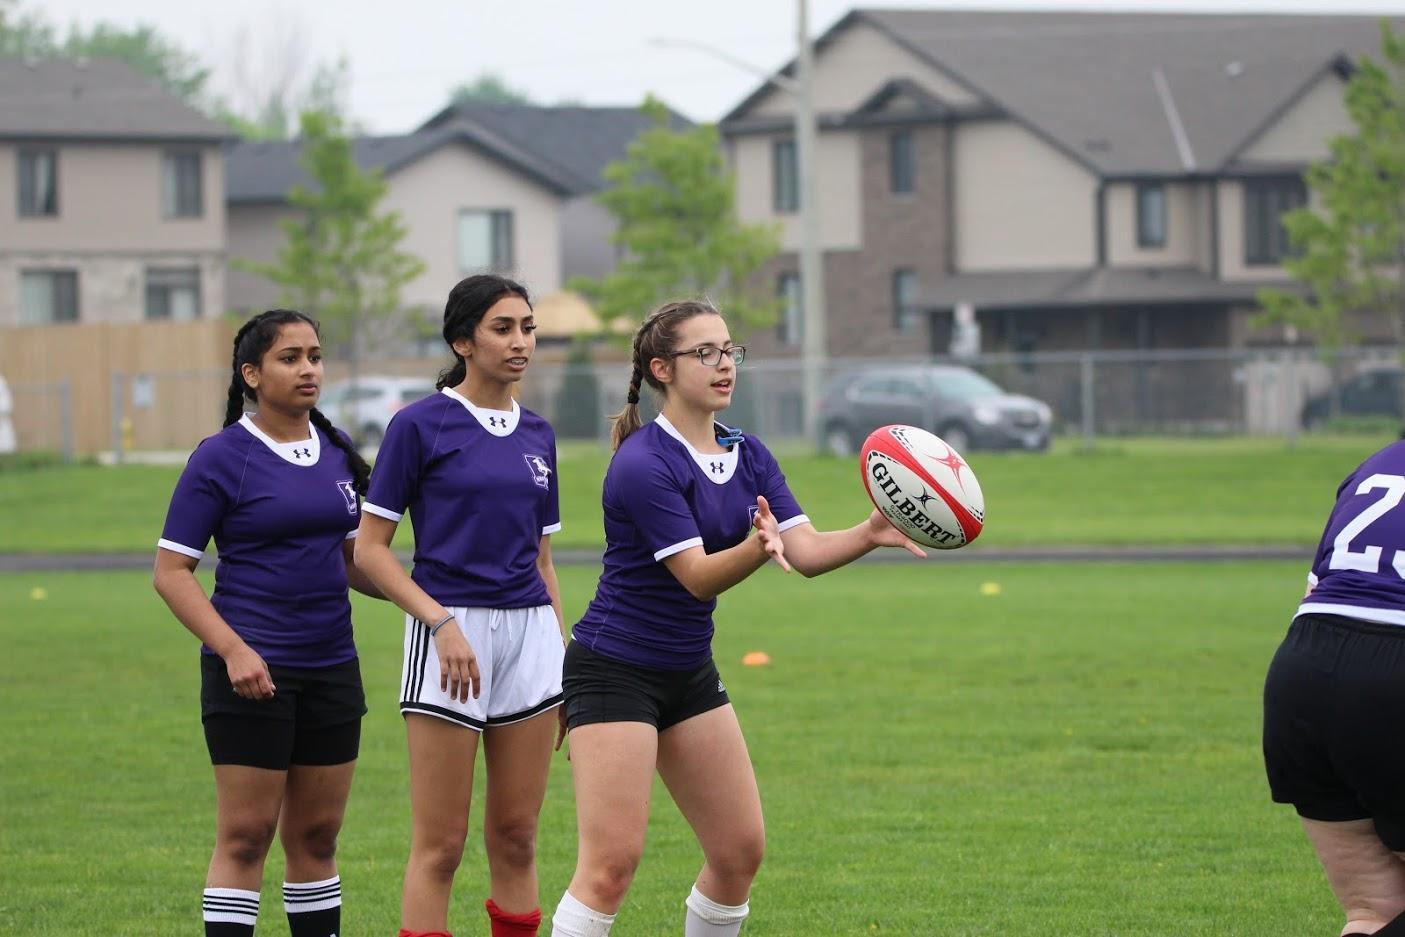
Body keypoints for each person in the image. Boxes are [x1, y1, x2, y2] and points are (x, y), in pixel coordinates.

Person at [548, 300, 926, 937]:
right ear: (662, 369)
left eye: (729, 351)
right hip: (614, 669)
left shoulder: (747, 452)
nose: (724, 365)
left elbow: (801, 552)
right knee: (612, 865)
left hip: (687, 670)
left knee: (738, 851)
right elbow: (696, 577)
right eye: (706, 353)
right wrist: (756, 546)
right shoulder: (645, 462)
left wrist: (868, 532)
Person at [152, 309, 382, 937]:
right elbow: (172, 572)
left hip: (333, 667)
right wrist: (233, 651)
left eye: (314, 355)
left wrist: (417, 594)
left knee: (316, 835)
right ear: (251, 375)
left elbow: (351, 558)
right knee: (247, 836)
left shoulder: (336, 452)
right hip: (252, 671)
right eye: (290, 358)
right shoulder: (222, 457)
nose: (308, 368)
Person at [353, 274, 566, 937]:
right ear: (462, 340)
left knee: (517, 837)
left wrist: (563, 660)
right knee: (440, 845)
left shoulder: (538, 433)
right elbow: (370, 549)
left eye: (527, 327)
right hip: (452, 631)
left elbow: (541, 559)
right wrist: (438, 621)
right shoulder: (418, 425)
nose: (520, 341)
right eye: (503, 327)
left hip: (532, 637)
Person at [1264, 438, 1405, 937]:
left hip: (1302, 671)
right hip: (1393, 669)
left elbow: (1314, 588)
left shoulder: (1374, 467)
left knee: (1374, 911)